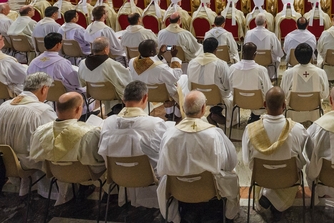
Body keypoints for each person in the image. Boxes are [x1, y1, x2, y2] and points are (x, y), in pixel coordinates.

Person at [156, 91, 240, 222]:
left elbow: (161, 167)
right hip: (210, 190)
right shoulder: (214, 134)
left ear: (183, 109)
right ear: (203, 109)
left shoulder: (169, 134)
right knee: (232, 174)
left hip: (179, 189)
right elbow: (231, 161)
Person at [98, 81, 172, 209]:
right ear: (145, 98)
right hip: (149, 177)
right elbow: (166, 152)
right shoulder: (155, 124)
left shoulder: (108, 122)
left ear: (123, 99)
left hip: (117, 175)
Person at [0, 73, 56, 196]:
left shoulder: (4, 105)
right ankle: (61, 193)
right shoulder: (41, 110)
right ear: (44, 88)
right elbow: (56, 134)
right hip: (26, 161)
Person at [242, 87, 308, 217]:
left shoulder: (250, 130)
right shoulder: (298, 130)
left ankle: (267, 195)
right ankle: (277, 203)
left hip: (262, 177)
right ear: (284, 105)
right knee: (294, 171)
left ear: (264, 104)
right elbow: (304, 159)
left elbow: (246, 161)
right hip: (288, 178)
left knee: (267, 173)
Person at [28, 92, 104, 178]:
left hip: (56, 175)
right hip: (85, 176)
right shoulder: (90, 133)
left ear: (56, 109)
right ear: (78, 109)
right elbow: (100, 158)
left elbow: (35, 157)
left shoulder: (40, 131)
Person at [129, 40, 184, 118]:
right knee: (183, 80)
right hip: (163, 94)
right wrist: (174, 57)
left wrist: (160, 54)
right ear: (152, 52)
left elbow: (151, 62)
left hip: (142, 93)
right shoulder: (160, 68)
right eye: (156, 48)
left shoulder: (132, 62)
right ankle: (177, 113)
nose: (157, 49)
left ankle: (170, 112)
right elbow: (175, 76)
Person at [184, 37, 231, 126]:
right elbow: (227, 85)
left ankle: (215, 112)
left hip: (197, 95)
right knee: (231, 95)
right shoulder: (221, 64)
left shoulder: (192, 62)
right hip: (216, 96)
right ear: (216, 50)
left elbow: (189, 83)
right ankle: (227, 120)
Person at [77, 38, 132, 110]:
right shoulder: (111, 64)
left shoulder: (82, 63)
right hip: (112, 95)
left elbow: (82, 83)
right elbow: (127, 80)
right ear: (106, 49)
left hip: (94, 94)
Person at [281, 43, 329, 123]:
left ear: (296, 57)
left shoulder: (288, 73)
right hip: (314, 110)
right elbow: (325, 94)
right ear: (311, 56)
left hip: (293, 111)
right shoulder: (320, 72)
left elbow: (283, 94)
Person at [229, 43, 273, 122]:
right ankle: (255, 116)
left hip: (238, 101)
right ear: (255, 54)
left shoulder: (232, 68)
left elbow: (228, 86)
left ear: (242, 53)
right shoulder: (261, 70)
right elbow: (268, 89)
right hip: (257, 102)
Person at [244, 14, 283, 80]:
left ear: (255, 22)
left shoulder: (249, 33)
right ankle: (270, 77)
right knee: (277, 57)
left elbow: (245, 48)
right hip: (268, 62)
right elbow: (278, 52)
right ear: (265, 23)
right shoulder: (271, 35)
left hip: (253, 60)